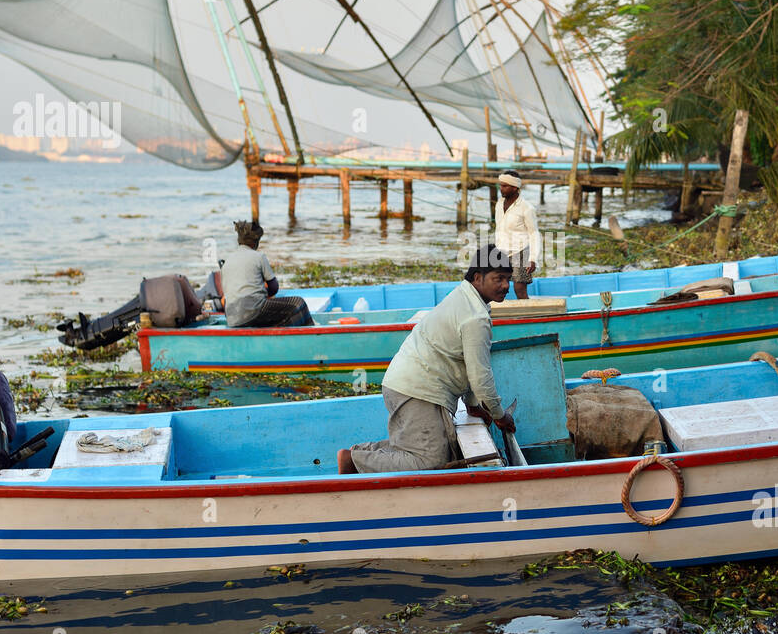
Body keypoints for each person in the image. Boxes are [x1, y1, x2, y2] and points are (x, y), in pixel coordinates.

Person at [338, 244, 517, 474]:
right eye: (499, 278)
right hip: (418, 390)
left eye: (508, 279)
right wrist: (499, 415)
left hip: (403, 384)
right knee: (429, 460)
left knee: (421, 448)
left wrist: (473, 405)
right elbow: (480, 376)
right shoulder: (475, 317)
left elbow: (467, 361)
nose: (506, 286)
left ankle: (359, 454)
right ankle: (354, 460)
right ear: (478, 278)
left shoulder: (464, 297)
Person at [219, 220, 312, 328]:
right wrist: (263, 291)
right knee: (297, 303)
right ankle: (312, 333)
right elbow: (274, 287)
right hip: (254, 311)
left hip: (232, 319)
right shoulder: (259, 256)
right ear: (255, 242)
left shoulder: (227, 261)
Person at [493, 170, 541, 301]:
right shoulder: (499, 204)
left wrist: (533, 259)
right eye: (500, 185)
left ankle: (527, 317)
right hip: (501, 251)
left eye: (504, 186)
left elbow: (534, 233)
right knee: (496, 287)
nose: (500, 188)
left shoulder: (526, 208)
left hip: (520, 251)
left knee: (519, 289)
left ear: (515, 188)